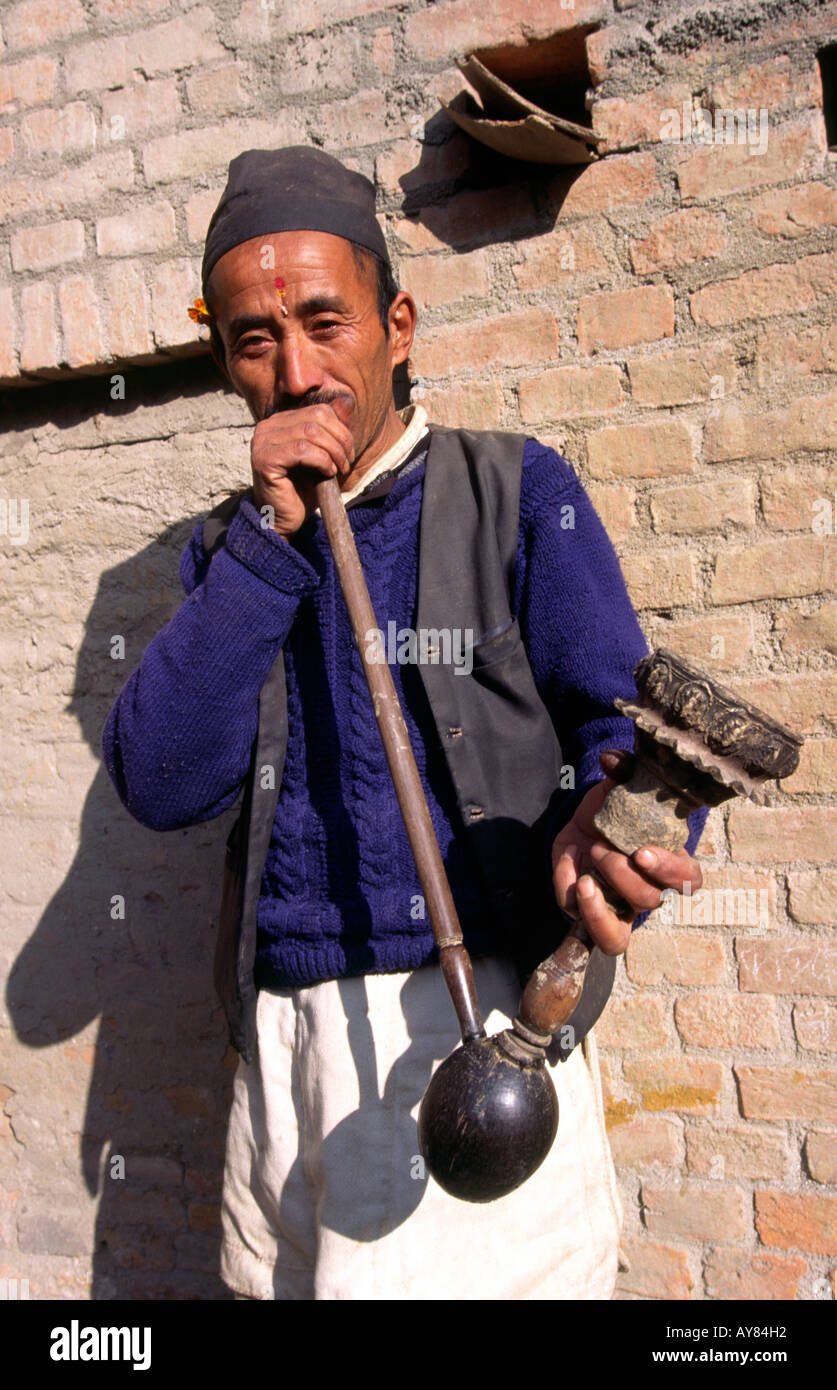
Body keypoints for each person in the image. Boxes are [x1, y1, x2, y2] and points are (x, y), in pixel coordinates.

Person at [102, 146, 704, 1301]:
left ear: (399, 324)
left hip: (477, 1034)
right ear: (226, 362)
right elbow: (164, 779)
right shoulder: (234, 554)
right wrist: (269, 548)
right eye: (253, 339)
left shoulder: (521, 491)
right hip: (288, 1038)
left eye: (325, 322)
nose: (295, 370)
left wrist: (612, 819)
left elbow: (622, 725)